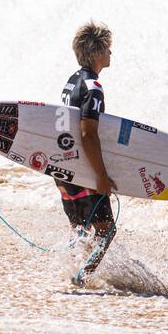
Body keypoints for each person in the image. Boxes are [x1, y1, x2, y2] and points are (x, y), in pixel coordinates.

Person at [57, 21, 117, 279]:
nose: (111, 54)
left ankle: (72, 271)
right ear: (95, 53)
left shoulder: (71, 82)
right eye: (107, 48)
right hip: (83, 169)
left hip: (64, 166)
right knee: (106, 231)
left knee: (80, 228)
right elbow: (87, 134)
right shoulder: (93, 87)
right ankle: (81, 276)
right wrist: (101, 175)